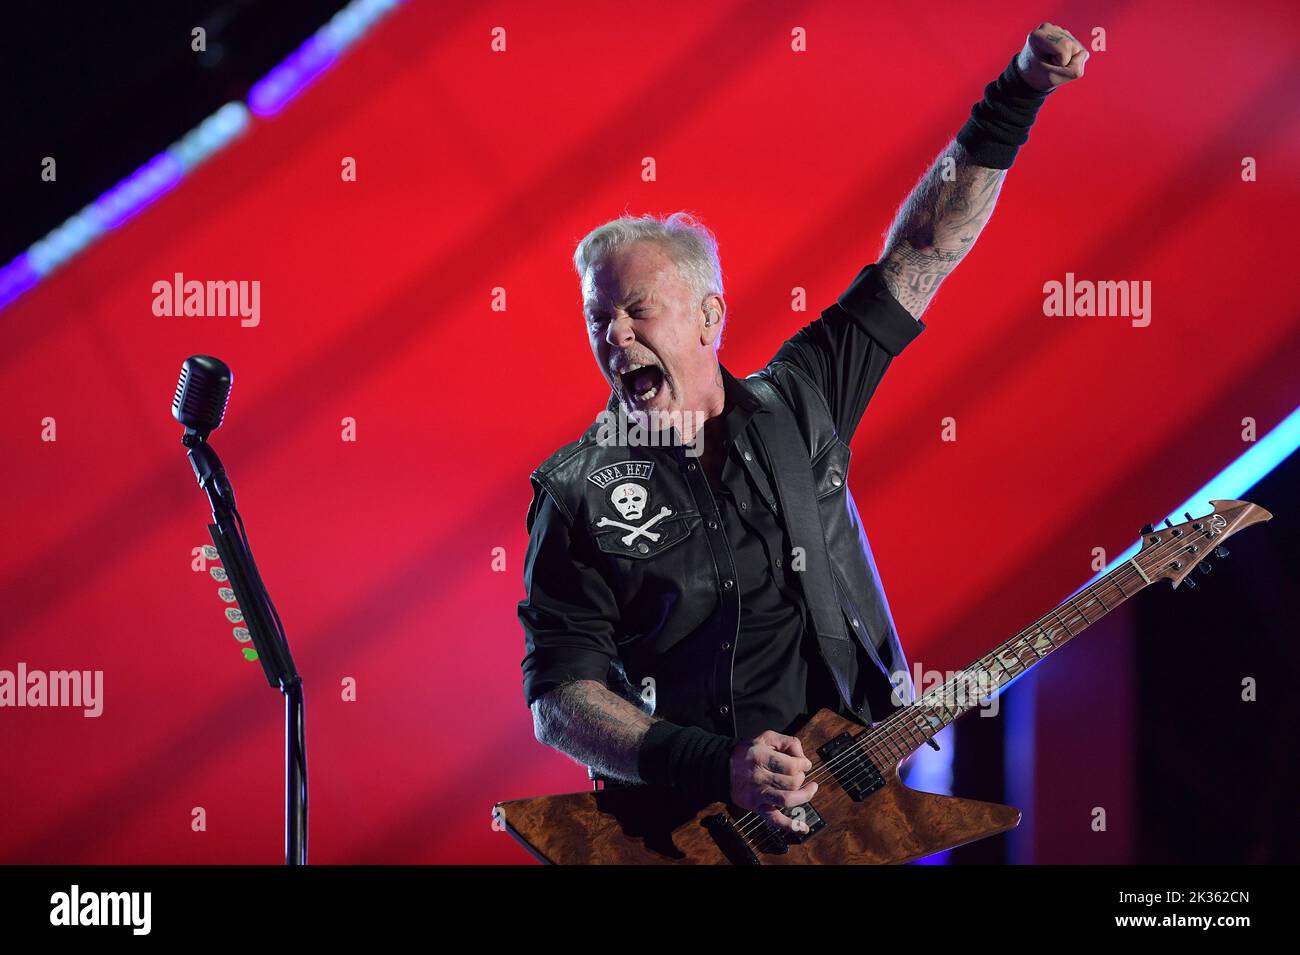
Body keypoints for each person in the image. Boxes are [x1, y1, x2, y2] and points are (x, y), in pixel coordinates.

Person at [518, 24, 1088, 833]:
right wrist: (717, 762)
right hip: (694, 839)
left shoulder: (802, 399)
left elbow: (919, 254)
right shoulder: (574, 494)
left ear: (710, 315)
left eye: (637, 310)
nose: (615, 335)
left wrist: (1018, 94)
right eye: (596, 317)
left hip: (850, 814)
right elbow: (561, 700)